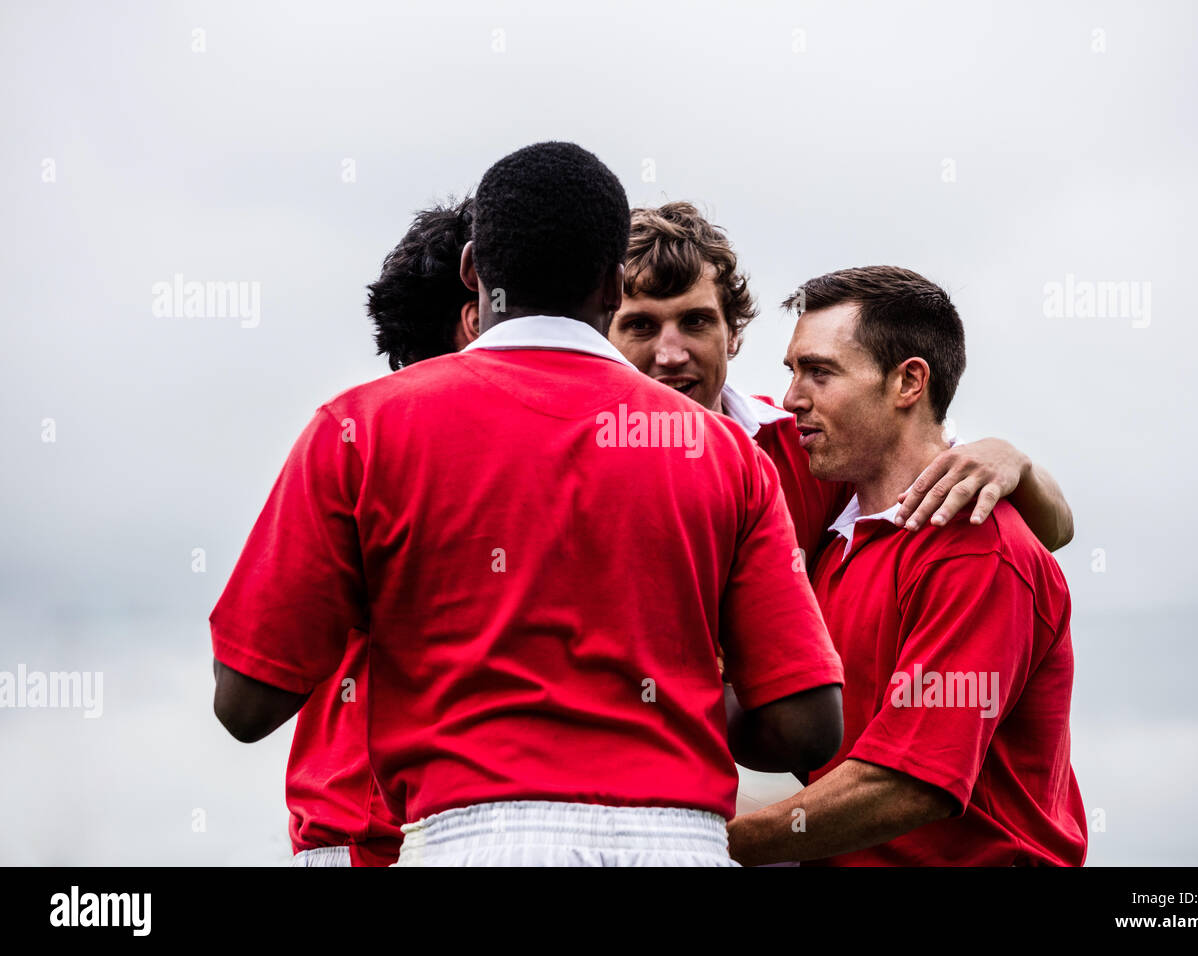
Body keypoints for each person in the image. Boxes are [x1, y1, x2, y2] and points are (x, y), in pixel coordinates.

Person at [210, 142, 845, 867]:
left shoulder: (359, 431)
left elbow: (246, 706)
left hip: (467, 838)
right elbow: (808, 726)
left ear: (474, 272)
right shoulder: (728, 453)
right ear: (613, 286)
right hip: (685, 840)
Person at [726, 266, 1087, 866]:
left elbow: (909, 783)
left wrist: (709, 847)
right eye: (792, 371)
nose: (792, 398)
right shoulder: (840, 539)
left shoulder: (978, 548)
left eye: (819, 372)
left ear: (908, 383)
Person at [607, 202, 1074, 559]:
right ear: (602, 335)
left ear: (733, 333)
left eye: (695, 322)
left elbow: (1053, 531)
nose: (670, 355)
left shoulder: (801, 443)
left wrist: (1013, 462)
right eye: (641, 326)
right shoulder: (564, 460)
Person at [279, 197, 477, 866]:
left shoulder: (358, 437)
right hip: (405, 837)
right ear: (477, 318)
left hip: (351, 831)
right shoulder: (408, 445)